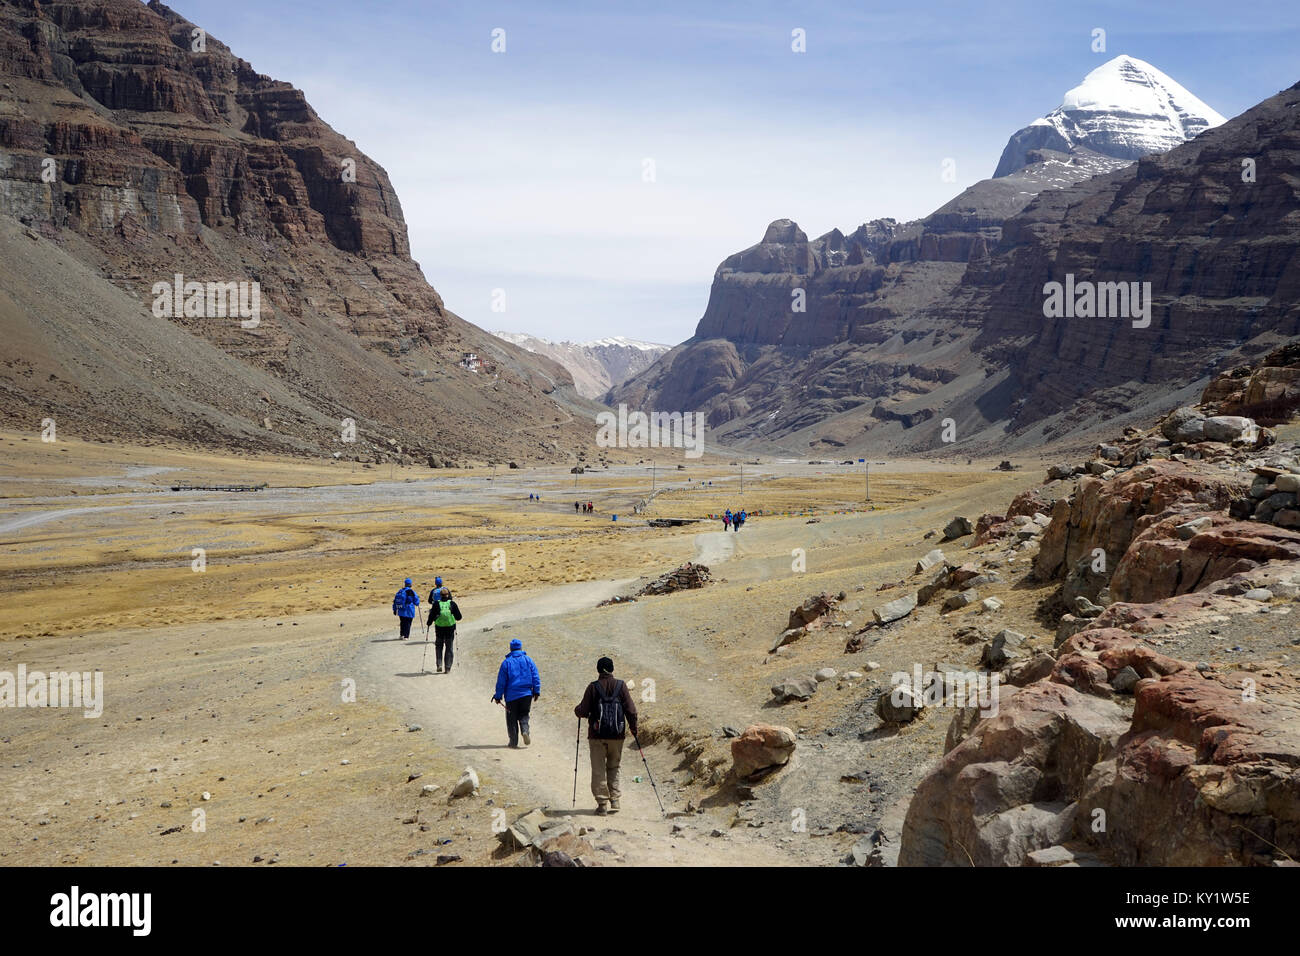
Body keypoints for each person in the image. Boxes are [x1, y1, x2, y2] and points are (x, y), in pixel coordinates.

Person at [573, 656, 638, 815]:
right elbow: (631, 710)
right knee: (614, 766)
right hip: (617, 735)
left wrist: (577, 710)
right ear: (612, 669)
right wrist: (634, 729)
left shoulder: (593, 687)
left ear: (598, 670)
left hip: (597, 736)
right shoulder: (621, 686)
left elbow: (582, 710)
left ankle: (602, 804)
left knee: (598, 769)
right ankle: (615, 799)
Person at [492, 638, 540, 747]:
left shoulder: (506, 663)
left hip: (511, 697)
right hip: (526, 694)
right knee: (524, 714)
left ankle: (513, 742)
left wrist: (498, 696)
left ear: (510, 648)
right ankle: (525, 731)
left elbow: (501, 682)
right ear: (521, 648)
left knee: (511, 719)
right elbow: (535, 676)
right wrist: (536, 691)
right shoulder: (528, 660)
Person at [426, 586, 463, 672]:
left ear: (440, 595)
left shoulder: (436, 604)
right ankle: (447, 667)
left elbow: (431, 616)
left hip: (439, 628)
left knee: (439, 646)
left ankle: (439, 664)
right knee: (449, 647)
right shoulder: (452, 604)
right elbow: (459, 617)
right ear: (448, 595)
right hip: (450, 629)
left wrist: (429, 623)